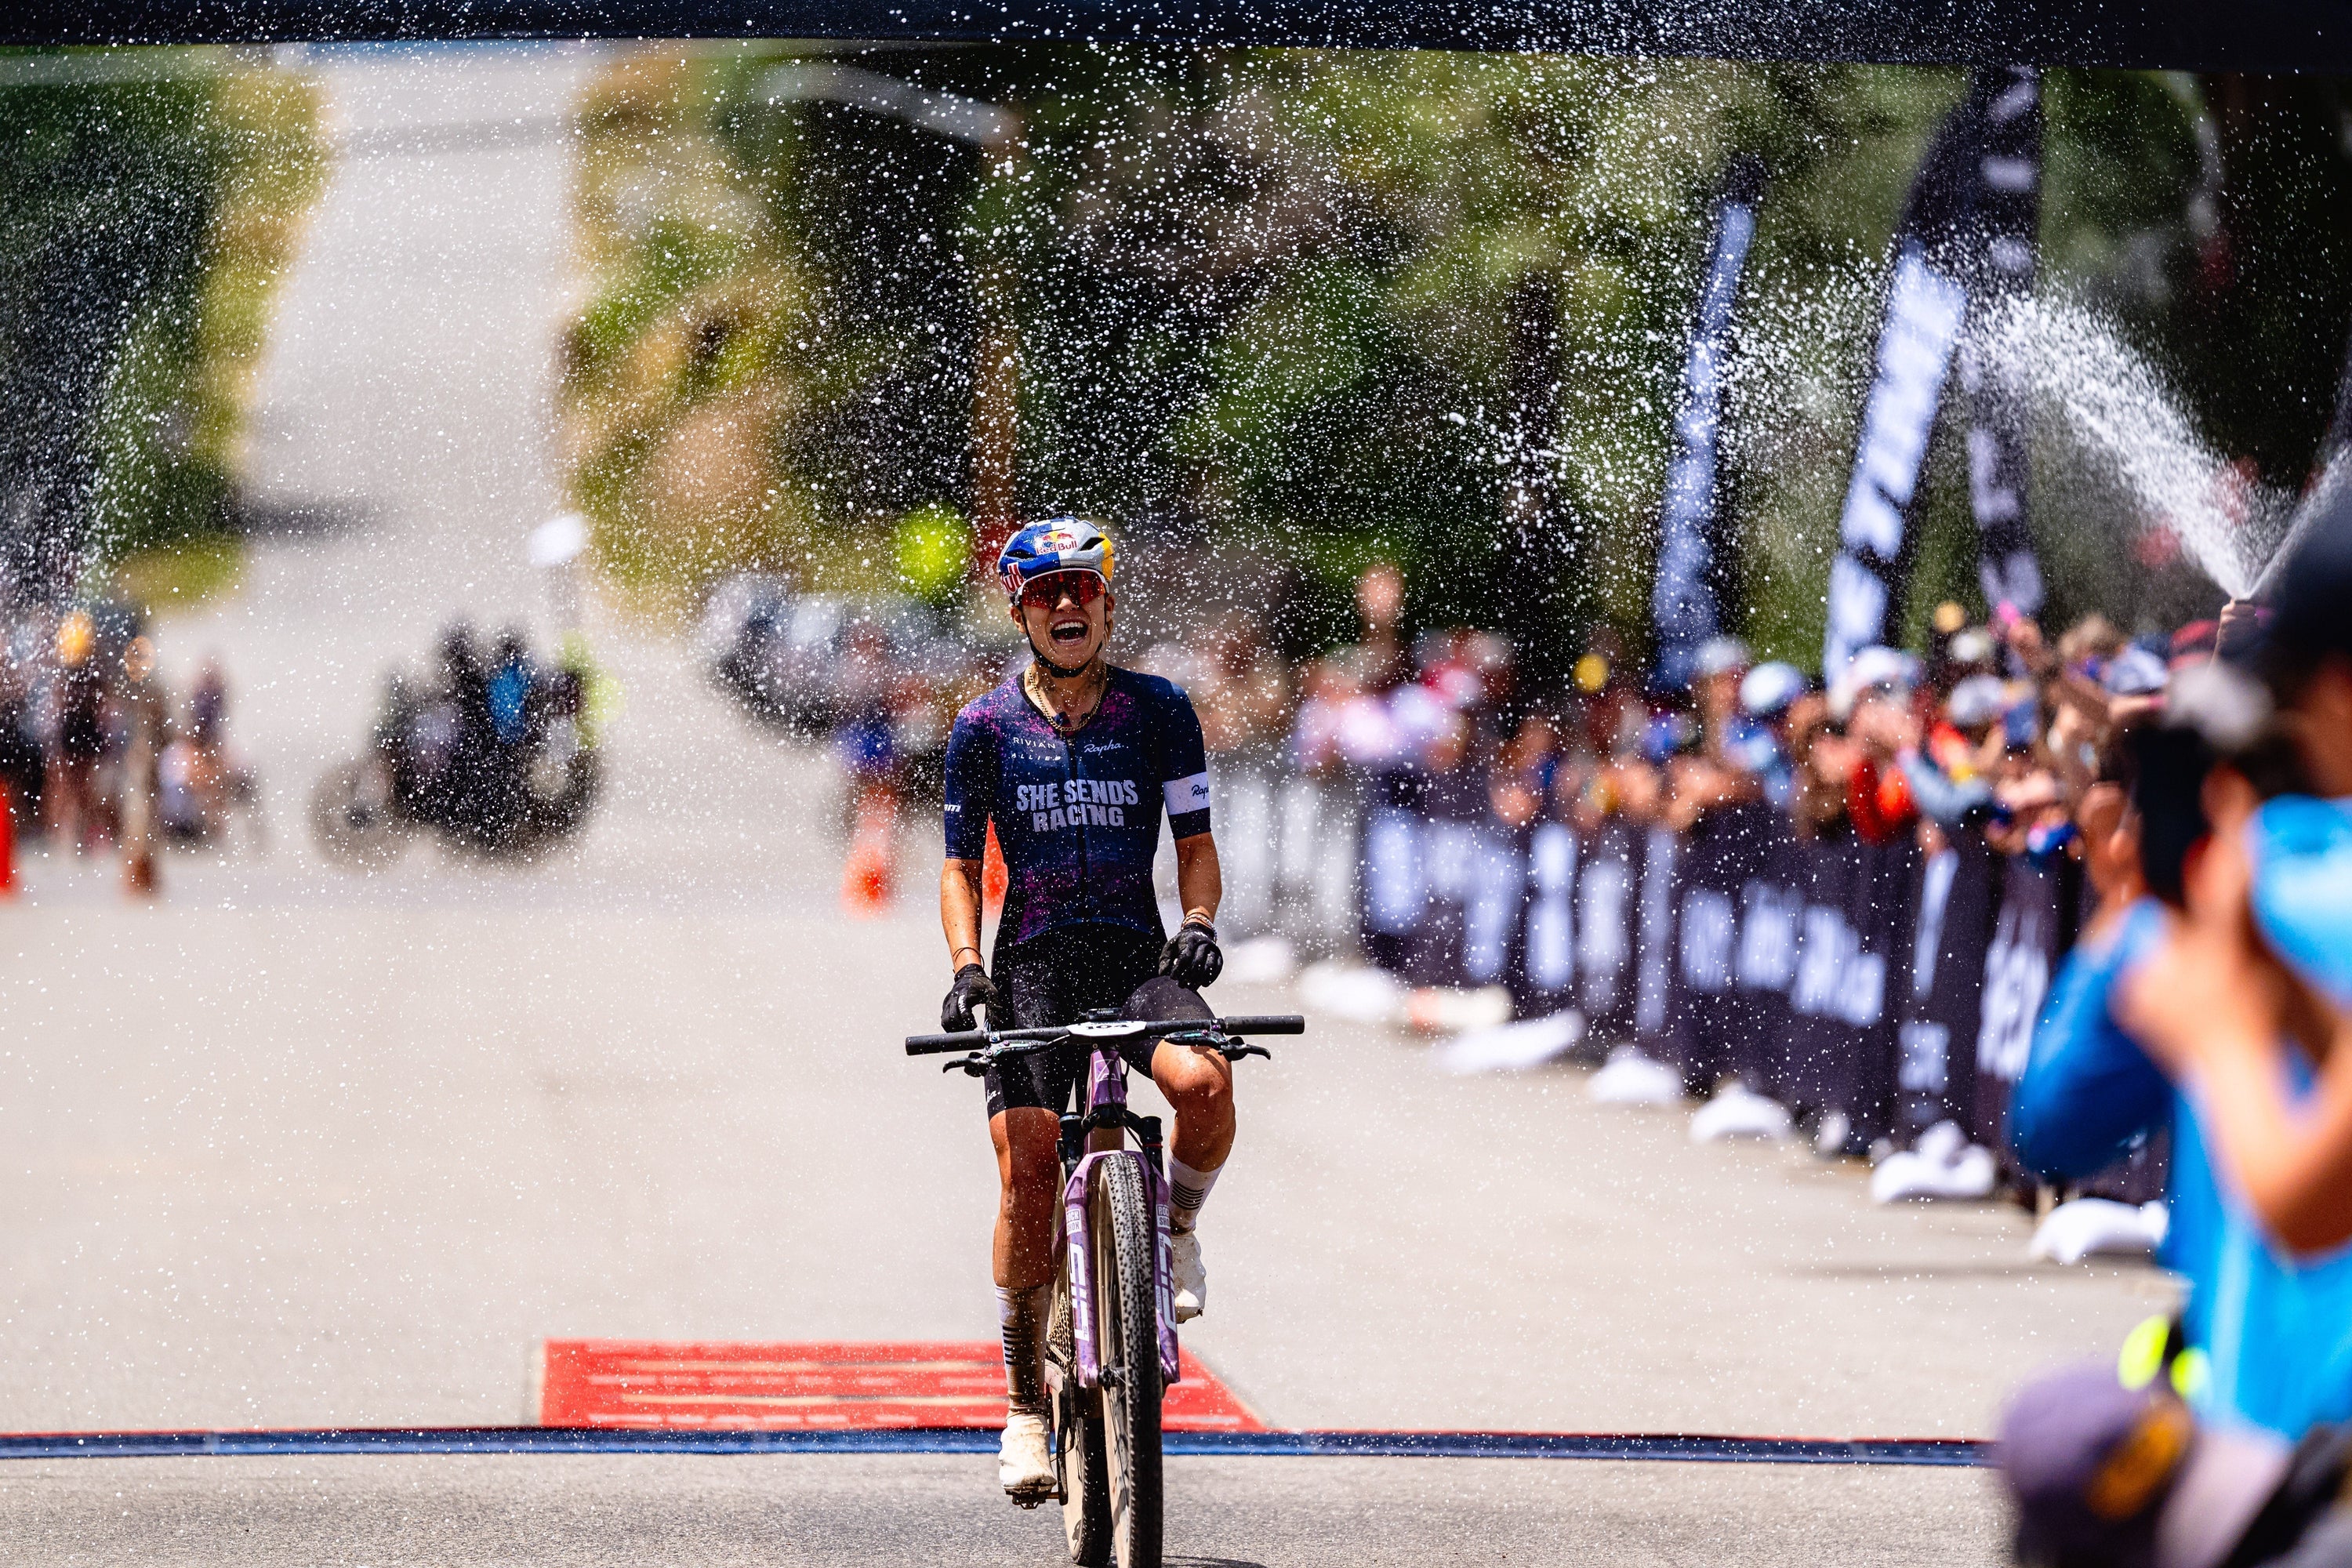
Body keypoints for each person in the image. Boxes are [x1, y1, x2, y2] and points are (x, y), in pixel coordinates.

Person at [935, 516, 1232, 1501]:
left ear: (1107, 603)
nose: (1068, 605)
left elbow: (1194, 839)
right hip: (1029, 963)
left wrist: (1196, 922)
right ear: (1020, 608)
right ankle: (1025, 1405)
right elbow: (957, 864)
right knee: (1025, 1167)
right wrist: (968, 963)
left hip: (1133, 952)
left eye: (1084, 590)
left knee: (1205, 1080)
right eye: (1047, 592)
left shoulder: (1160, 711)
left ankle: (1175, 1221)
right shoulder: (982, 727)